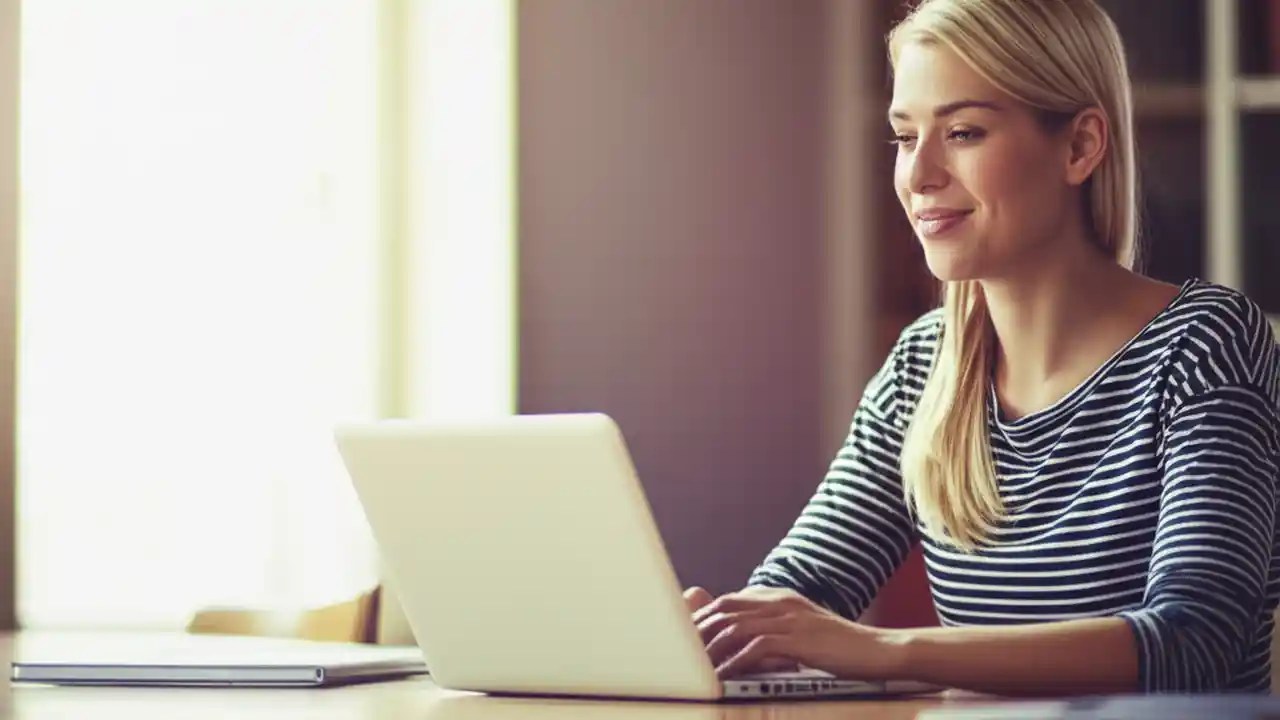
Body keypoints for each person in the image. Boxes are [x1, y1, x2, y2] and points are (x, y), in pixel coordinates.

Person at [684, 0, 1280, 696]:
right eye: (905, 138)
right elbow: (803, 594)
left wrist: (889, 650)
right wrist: (724, 631)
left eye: (963, 132)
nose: (920, 175)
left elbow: (1193, 641)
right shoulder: (923, 369)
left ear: (1080, 147)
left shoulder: (1206, 344)